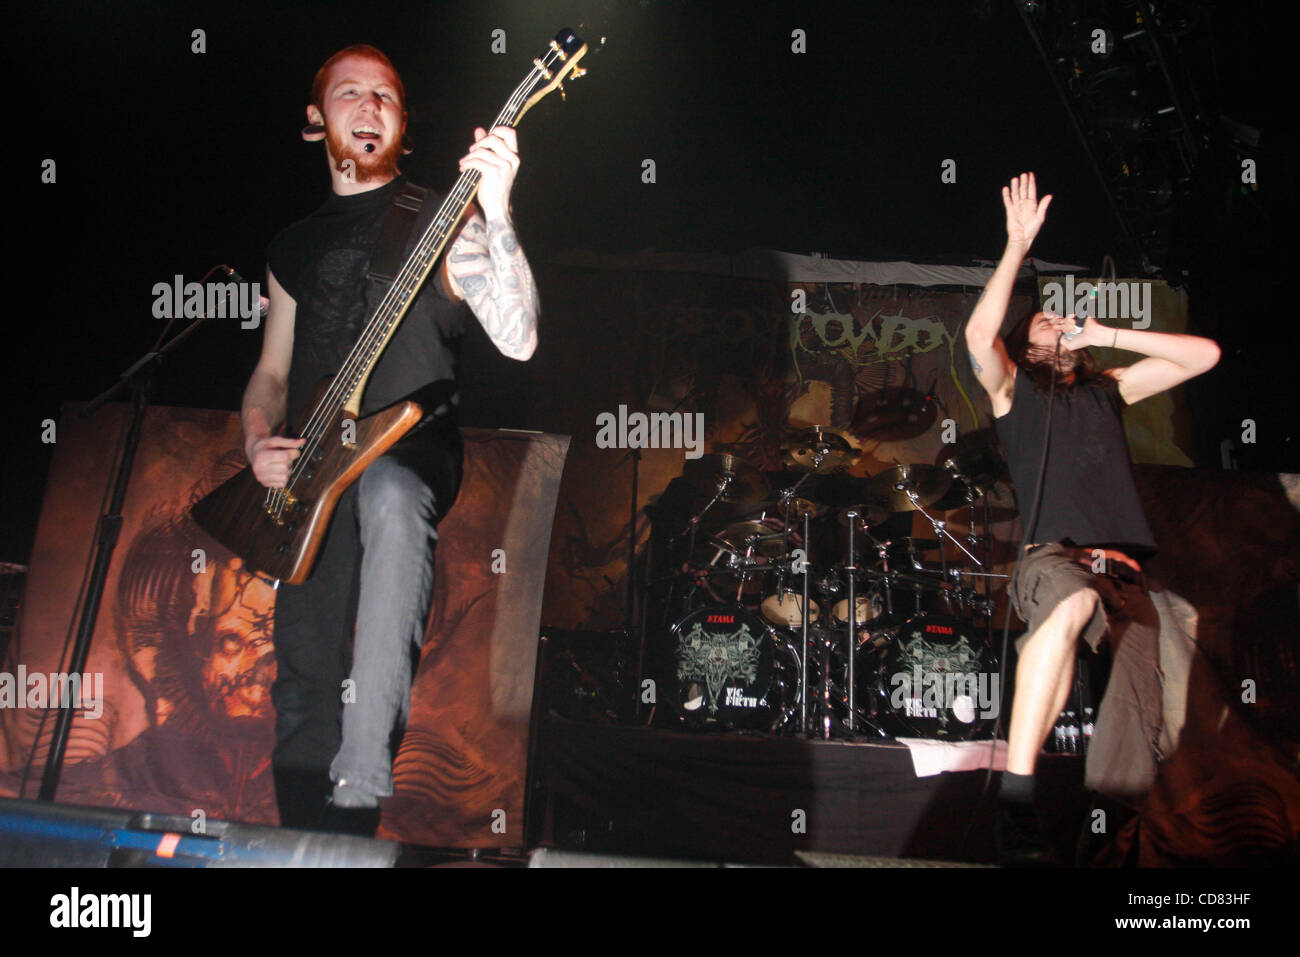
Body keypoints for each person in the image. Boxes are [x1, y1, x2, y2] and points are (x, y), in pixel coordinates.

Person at [240, 44, 539, 833]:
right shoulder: (292, 247)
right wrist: (257, 441)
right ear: (316, 120)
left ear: (403, 124)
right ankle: (312, 844)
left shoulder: (443, 220)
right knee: (303, 677)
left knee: (392, 490)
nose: (369, 108)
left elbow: (520, 339)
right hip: (311, 475)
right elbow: (270, 372)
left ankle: (366, 763)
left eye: (386, 97)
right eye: (350, 94)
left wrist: (500, 210)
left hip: (405, 449)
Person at [964, 173, 1219, 863]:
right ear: (1026, 348)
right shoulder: (1015, 391)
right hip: (1056, 559)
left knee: (1134, 744)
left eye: (1062, 321)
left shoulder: (1108, 389)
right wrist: (1016, 245)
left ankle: (1095, 846)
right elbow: (979, 333)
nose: (1059, 325)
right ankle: (1016, 801)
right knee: (1071, 606)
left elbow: (1205, 356)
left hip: (1129, 576)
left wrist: (1103, 330)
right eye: (1045, 323)